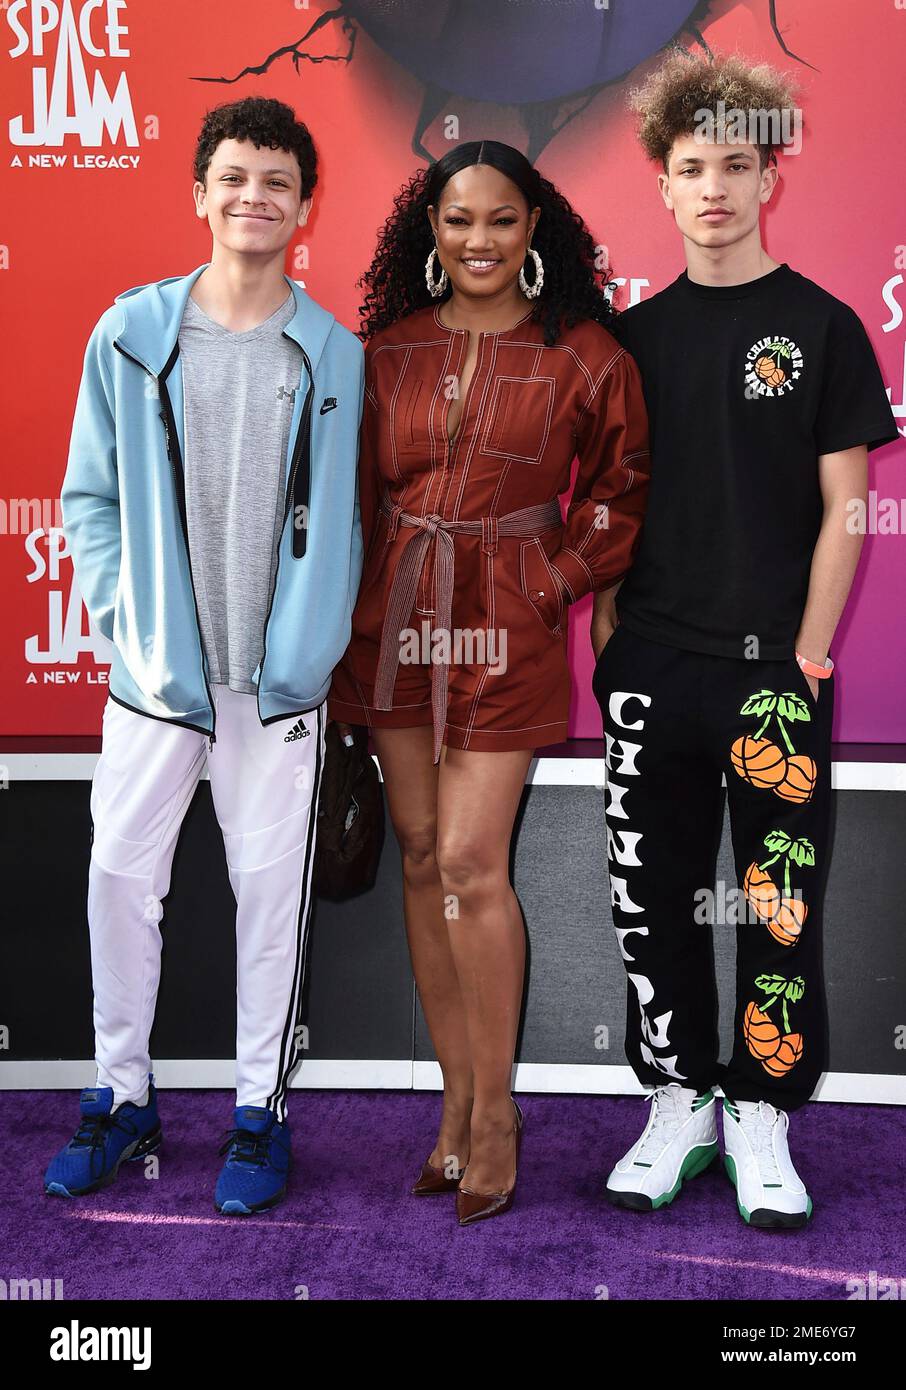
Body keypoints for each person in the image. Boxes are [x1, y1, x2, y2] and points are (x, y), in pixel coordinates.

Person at [592, 53, 899, 1227]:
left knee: (778, 908)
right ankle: (678, 1101)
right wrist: (618, 640)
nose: (712, 187)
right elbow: (609, 507)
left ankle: (763, 1110)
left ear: (769, 176)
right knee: (652, 899)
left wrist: (812, 650)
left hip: (778, 675)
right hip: (654, 672)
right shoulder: (629, 339)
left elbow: (846, 507)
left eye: (734, 164)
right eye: (689, 168)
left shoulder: (822, 327)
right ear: (662, 187)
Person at [46, 96, 365, 1215]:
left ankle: (256, 1114)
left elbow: (345, 519)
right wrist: (128, 621)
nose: (253, 197)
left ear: (303, 204)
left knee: (266, 898)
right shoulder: (130, 334)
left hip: (275, 689)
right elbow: (88, 500)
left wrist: (313, 647)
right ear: (199, 192)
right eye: (233, 177)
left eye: (276, 181)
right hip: (157, 680)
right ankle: (120, 1099)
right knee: (119, 880)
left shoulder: (332, 351)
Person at [328, 140, 650, 1225]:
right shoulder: (387, 353)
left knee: (472, 857)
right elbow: (350, 504)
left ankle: (499, 1111)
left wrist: (546, 582)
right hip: (396, 620)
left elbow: (622, 490)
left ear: (534, 229)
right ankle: (455, 1107)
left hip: (504, 628)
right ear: (431, 230)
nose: (479, 240)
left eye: (501, 220)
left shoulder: (587, 354)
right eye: (459, 219)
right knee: (423, 856)